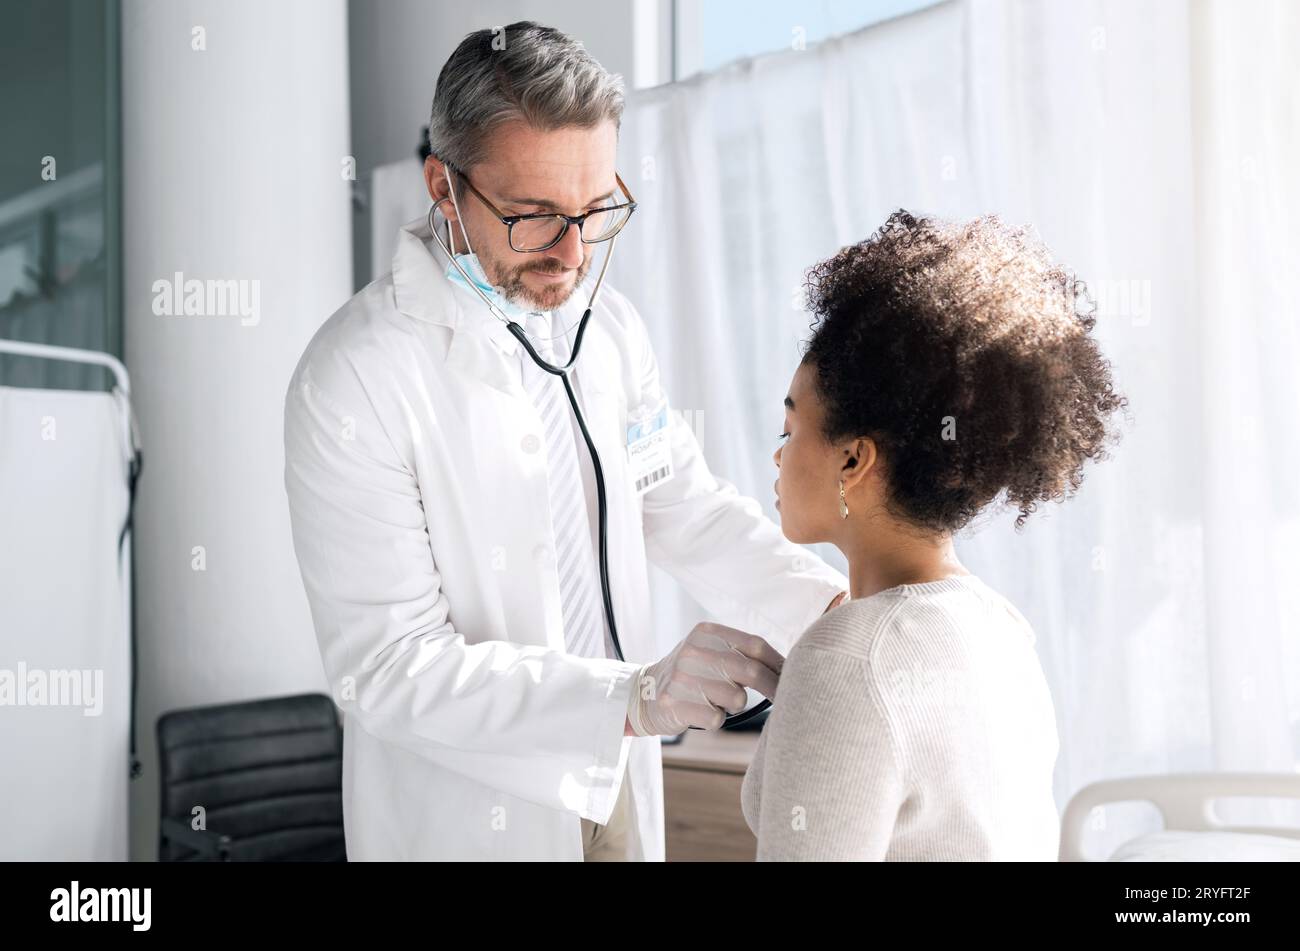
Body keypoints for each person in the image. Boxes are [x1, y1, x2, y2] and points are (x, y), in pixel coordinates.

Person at [282, 21, 848, 862]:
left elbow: (683, 509)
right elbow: (391, 667)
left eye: (594, 210)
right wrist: (633, 696)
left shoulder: (608, 330)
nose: (572, 254)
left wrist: (847, 615)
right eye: (533, 216)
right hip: (470, 813)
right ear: (443, 187)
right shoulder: (355, 376)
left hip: (616, 773)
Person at [742, 210, 1126, 860]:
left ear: (852, 460)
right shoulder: (1001, 626)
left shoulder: (847, 658)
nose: (778, 455)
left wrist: (829, 675)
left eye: (790, 429)